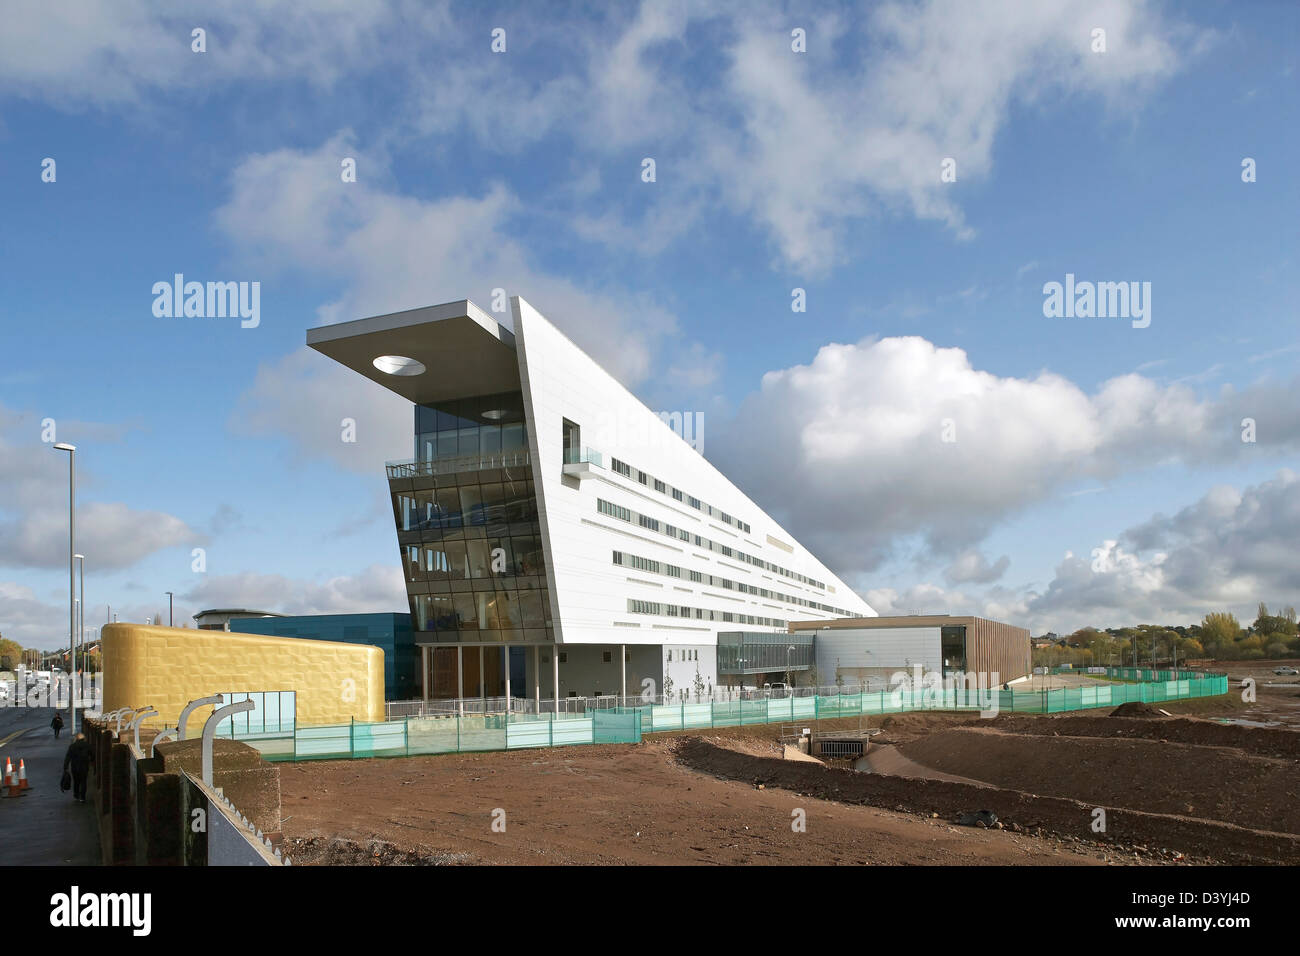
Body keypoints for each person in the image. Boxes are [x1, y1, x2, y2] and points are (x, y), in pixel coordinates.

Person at [63, 733, 93, 803]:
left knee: (76, 781)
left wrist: (65, 767)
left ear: (76, 739)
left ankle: (76, 795)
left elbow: (68, 757)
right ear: (84, 739)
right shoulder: (87, 745)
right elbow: (92, 755)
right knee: (83, 781)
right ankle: (82, 797)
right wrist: (91, 760)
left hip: (75, 767)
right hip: (84, 766)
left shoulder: (72, 746)